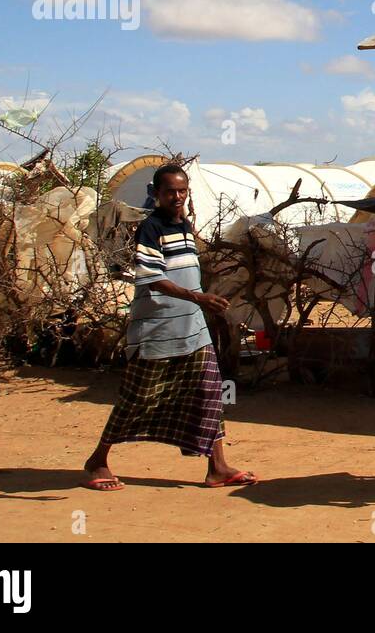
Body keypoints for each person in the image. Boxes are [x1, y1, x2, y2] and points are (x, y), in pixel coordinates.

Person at [82, 163, 256, 491]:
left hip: (193, 330)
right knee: (138, 397)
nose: (176, 197)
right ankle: (98, 461)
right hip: (158, 331)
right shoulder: (150, 229)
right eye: (169, 192)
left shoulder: (185, 226)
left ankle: (217, 466)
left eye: (181, 191)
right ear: (157, 194)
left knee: (209, 395)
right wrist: (199, 298)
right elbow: (153, 279)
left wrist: (204, 304)